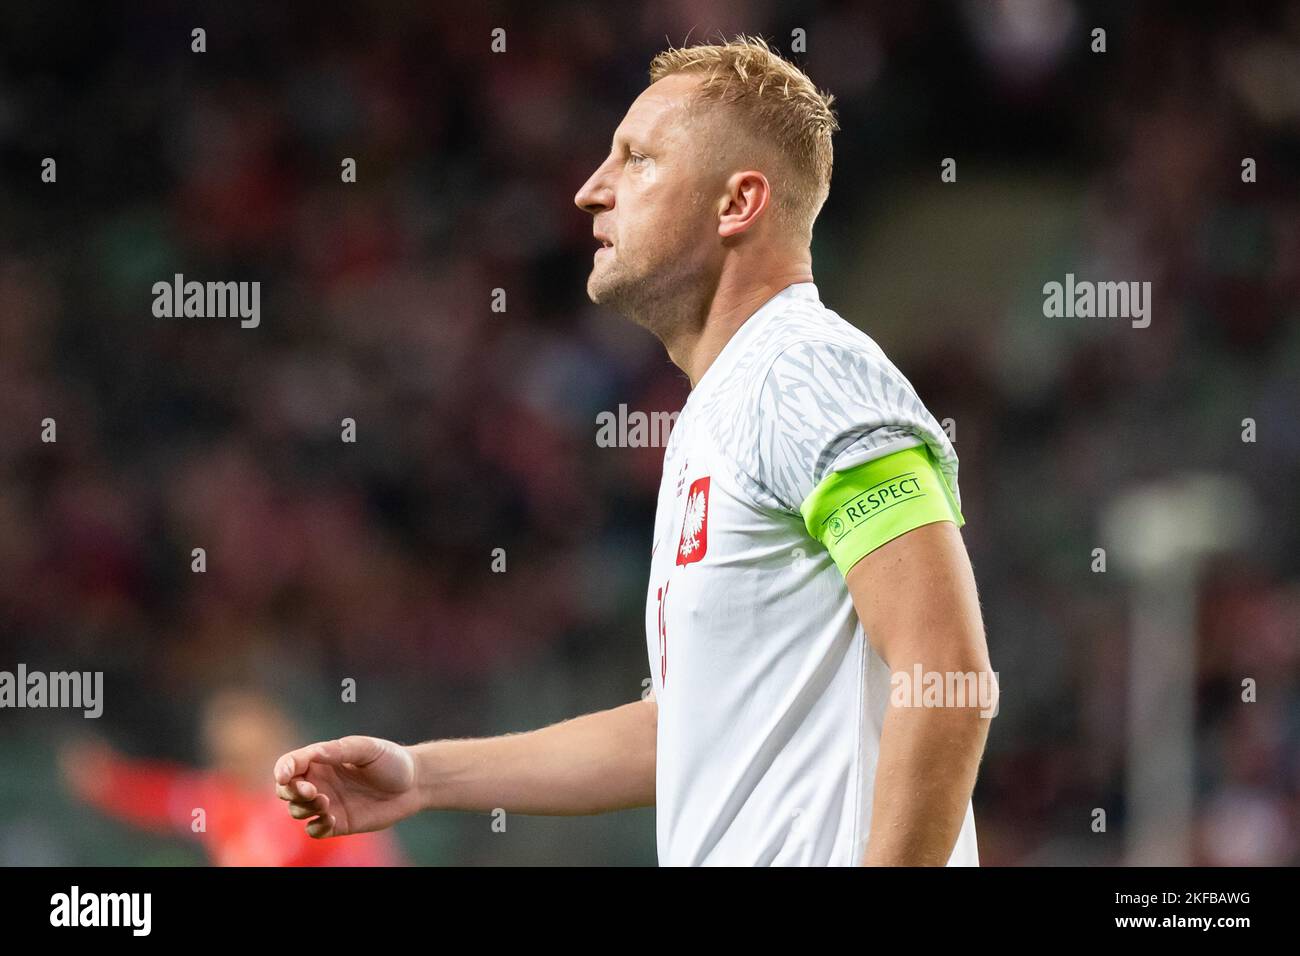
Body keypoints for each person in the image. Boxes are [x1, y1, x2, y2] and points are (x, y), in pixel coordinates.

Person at [276, 35, 994, 866]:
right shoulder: (717, 412)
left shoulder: (807, 372)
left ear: (738, 203)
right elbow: (684, 730)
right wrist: (424, 777)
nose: (591, 189)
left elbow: (947, 674)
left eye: (638, 159)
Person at [63, 688, 403, 866]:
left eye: (246, 749)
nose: (235, 759)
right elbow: (162, 797)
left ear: (276, 735)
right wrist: (108, 782)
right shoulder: (219, 798)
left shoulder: (325, 799)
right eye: (227, 752)